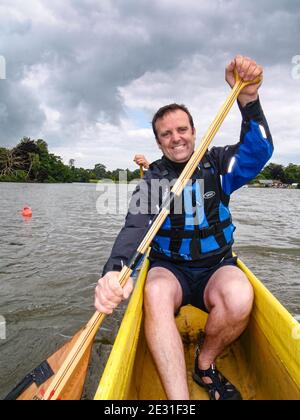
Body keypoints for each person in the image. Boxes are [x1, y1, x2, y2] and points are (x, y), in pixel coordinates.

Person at [94, 55, 273, 400]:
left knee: (239, 296)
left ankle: (204, 364)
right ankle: (181, 401)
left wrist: (248, 98)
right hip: (170, 269)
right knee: (155, 292)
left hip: (216, 265)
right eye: (166, 134)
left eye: (182, 130)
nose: (176, 138)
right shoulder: (152, 181)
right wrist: (114, 272)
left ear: (193, 131)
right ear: (159, 143)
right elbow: (134, 229)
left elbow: (259, 150)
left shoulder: (219, 164)